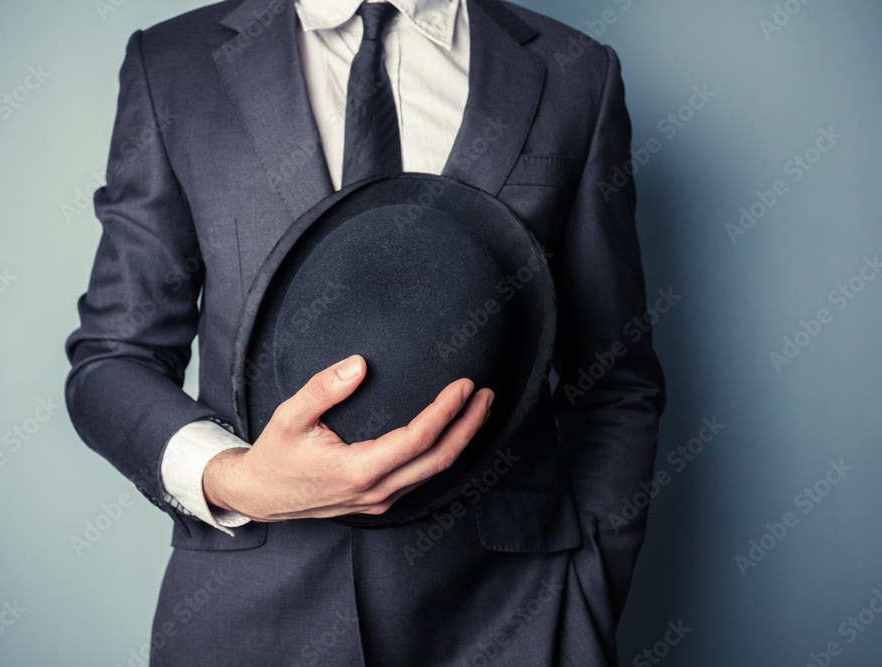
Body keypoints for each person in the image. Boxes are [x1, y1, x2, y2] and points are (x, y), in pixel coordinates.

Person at [64, 0, 666, 664]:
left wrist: (586, 599)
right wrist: (236, 479)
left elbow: (614, 380)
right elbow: (113, 358)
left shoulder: (573, 71)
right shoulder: (174, 65)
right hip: (251, 620)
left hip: (509, 617)